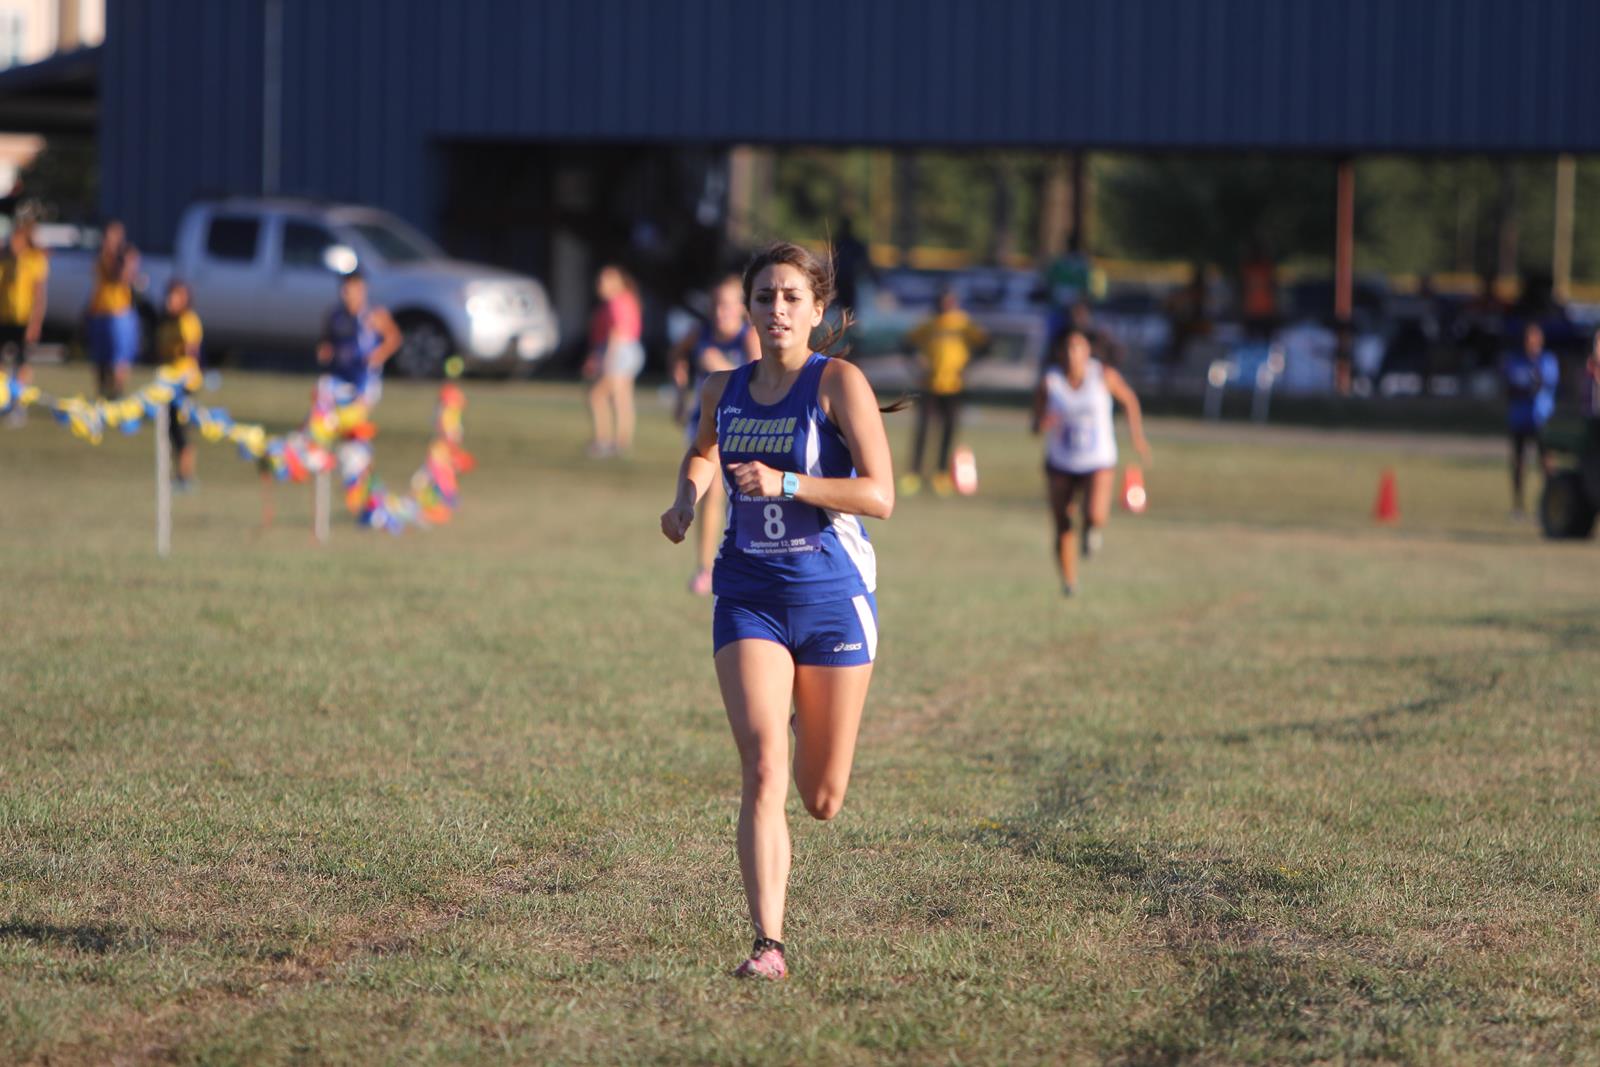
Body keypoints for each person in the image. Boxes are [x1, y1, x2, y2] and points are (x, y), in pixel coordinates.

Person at [658, 241, 895, 980]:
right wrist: (686, 497)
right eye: (765, 296)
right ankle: (769, 944)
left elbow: (880, 495)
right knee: (763, 768)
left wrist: (787, 483)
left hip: (832, 601)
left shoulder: (838, 384)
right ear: (749, 308)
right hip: (749, 596)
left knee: (821, 797)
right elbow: (703, 451)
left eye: (792, 296)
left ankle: (801, 708)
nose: (778, 309)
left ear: (816, 309)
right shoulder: (720, 388)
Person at [1032, 326, 1151, 596]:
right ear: (1060, 352)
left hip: (1098, 459)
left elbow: (1130, 401)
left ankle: (1091, 531)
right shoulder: (1050, 382)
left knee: (1095, 514)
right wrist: (1042, 423)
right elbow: (1035, 425)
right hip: (1061, 460)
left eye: (1078, 347)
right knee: (1062, 522)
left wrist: (1138, 437)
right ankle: (1069, 582)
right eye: (1068, 348)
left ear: (1088, 352)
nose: (1073, 353)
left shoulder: (1103, 376)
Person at [669, 274, 762, 594]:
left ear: (742, 309)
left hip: (739, 427)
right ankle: (704, 568)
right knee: (708, 493)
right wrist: (681, 395)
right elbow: (677, 356)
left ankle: (735, 562)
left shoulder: (748, 338)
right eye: (715, 305)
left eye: (727, 305)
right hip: (704, 423)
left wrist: (720, 364)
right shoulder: (700, 334)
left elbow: (757, 383)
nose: (720, 312)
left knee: (736, 496)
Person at [901, 288, 987, 496]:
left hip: (954, 386)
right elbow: (906, 345)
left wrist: (968, 368)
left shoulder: (963, 323)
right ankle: (914, 474)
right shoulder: (929, 324)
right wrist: (917, 367)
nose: (946, 305)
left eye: (949, 301)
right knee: (923, 431)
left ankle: (941, 474)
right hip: (929, 385)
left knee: (948, 431)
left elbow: (985, 346)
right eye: (942, 301)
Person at [584, 264, 645, 457]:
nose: (601, 284)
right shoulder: (623, 301)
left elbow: (617, 333)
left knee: (597, 396)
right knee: (622, 399)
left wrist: (606, 360)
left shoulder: (617, 302)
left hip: (621, 351)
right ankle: (621, 442)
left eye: (606, 280)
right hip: (627, 350)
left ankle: (603, 441)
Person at [317, 272, 400, 408]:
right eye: (344, 290)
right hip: (341, 373)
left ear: (362, 290)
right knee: (322, 388)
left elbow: (394, 338)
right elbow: (327, 340)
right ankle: (312, 427)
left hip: (364, 376)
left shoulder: (374, 315)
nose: (346, 295)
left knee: (354, 414)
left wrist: (378, 355)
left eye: (350, 291)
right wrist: (325, 350)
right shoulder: (335, 316)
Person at [1503, 321, 1559, 518]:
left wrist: (1529, 384)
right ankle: (1518, 505)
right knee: (1519, 462)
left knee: (1546, 462)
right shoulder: (1515, 360)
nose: (1531, 342)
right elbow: (1509, 387)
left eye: (1535, 338)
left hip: (1541, 418)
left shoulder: (1547, 360)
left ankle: (1551, 503)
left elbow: (1545, 384)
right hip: (1519, 418)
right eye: (1528, 338)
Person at [155, 280, 203, 491]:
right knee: (171, 430)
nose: (170, 300)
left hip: (185, 383)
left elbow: (191, 349)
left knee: (182, 431)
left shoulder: (188, 320)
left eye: (176, 296)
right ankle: (178, 475)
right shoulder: (166, 322)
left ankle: (187, 476)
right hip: (168, 382)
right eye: (169, 295)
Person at [0, 218, 48, 426]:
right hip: (4, 317)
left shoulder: (35, 259)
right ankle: (2, 399)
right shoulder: (4, 259)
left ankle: (18, 404)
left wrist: (35, 322)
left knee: (22, 363)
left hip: (24, 319)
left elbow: (39, 295)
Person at [86, 220, 141, 399]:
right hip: (99, 311)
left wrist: (125, 260)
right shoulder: (102, 257)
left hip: (119, 314)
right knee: (100, 358)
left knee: (118, 358)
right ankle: (102, 394)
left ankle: (117, 394)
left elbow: (123, 277)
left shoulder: (126, 255)